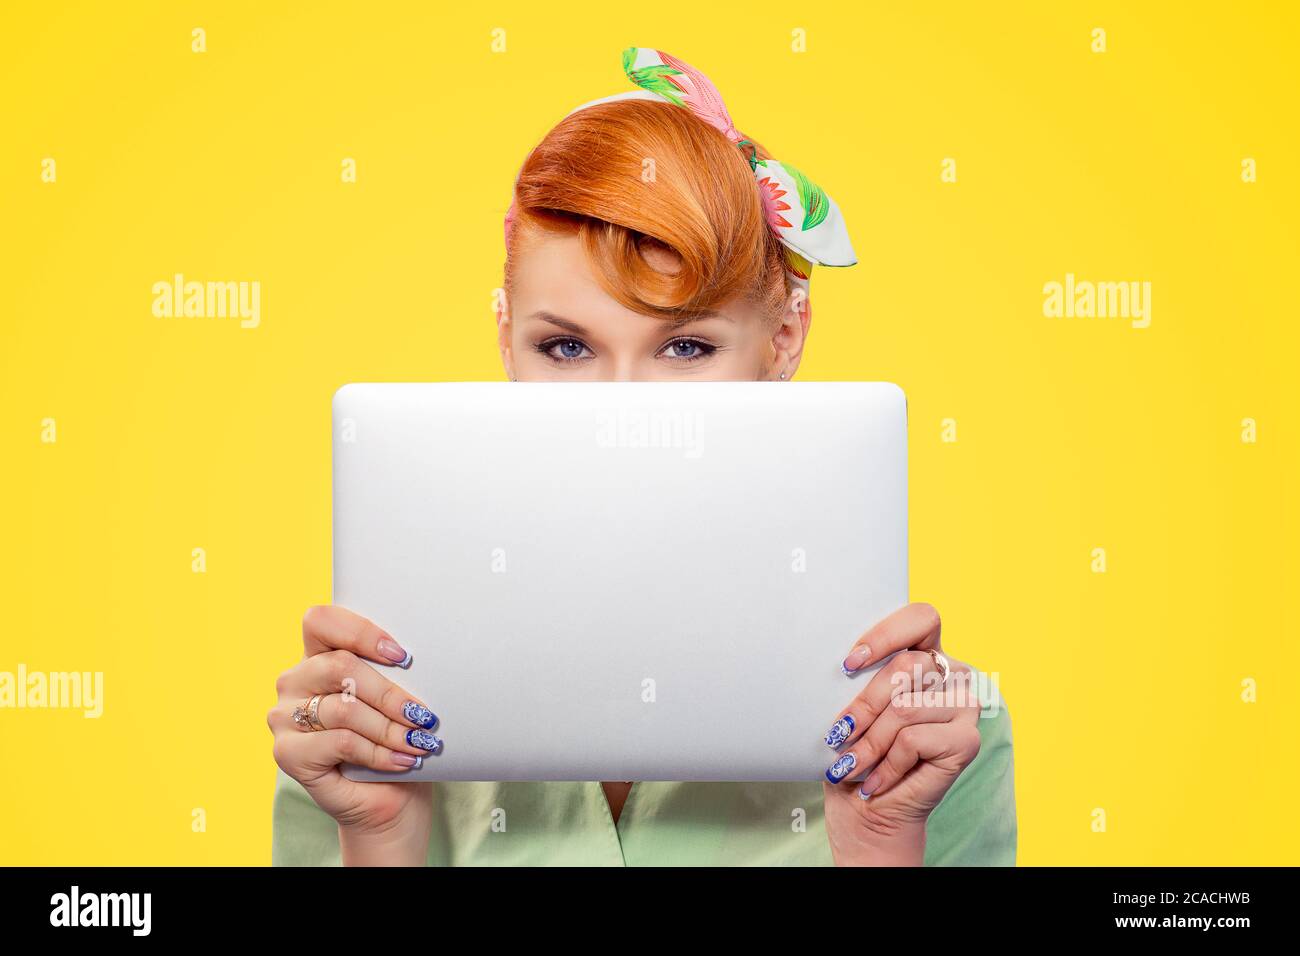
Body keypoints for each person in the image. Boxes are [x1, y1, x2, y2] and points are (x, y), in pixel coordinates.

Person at [269, 47, 1016, 866]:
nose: (622, 408)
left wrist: (883, 835)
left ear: (783, 341)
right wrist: (380, 836)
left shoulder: (928, 731)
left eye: (687, 346)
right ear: (506, 343)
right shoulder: (363, 712)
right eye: (564, 347)